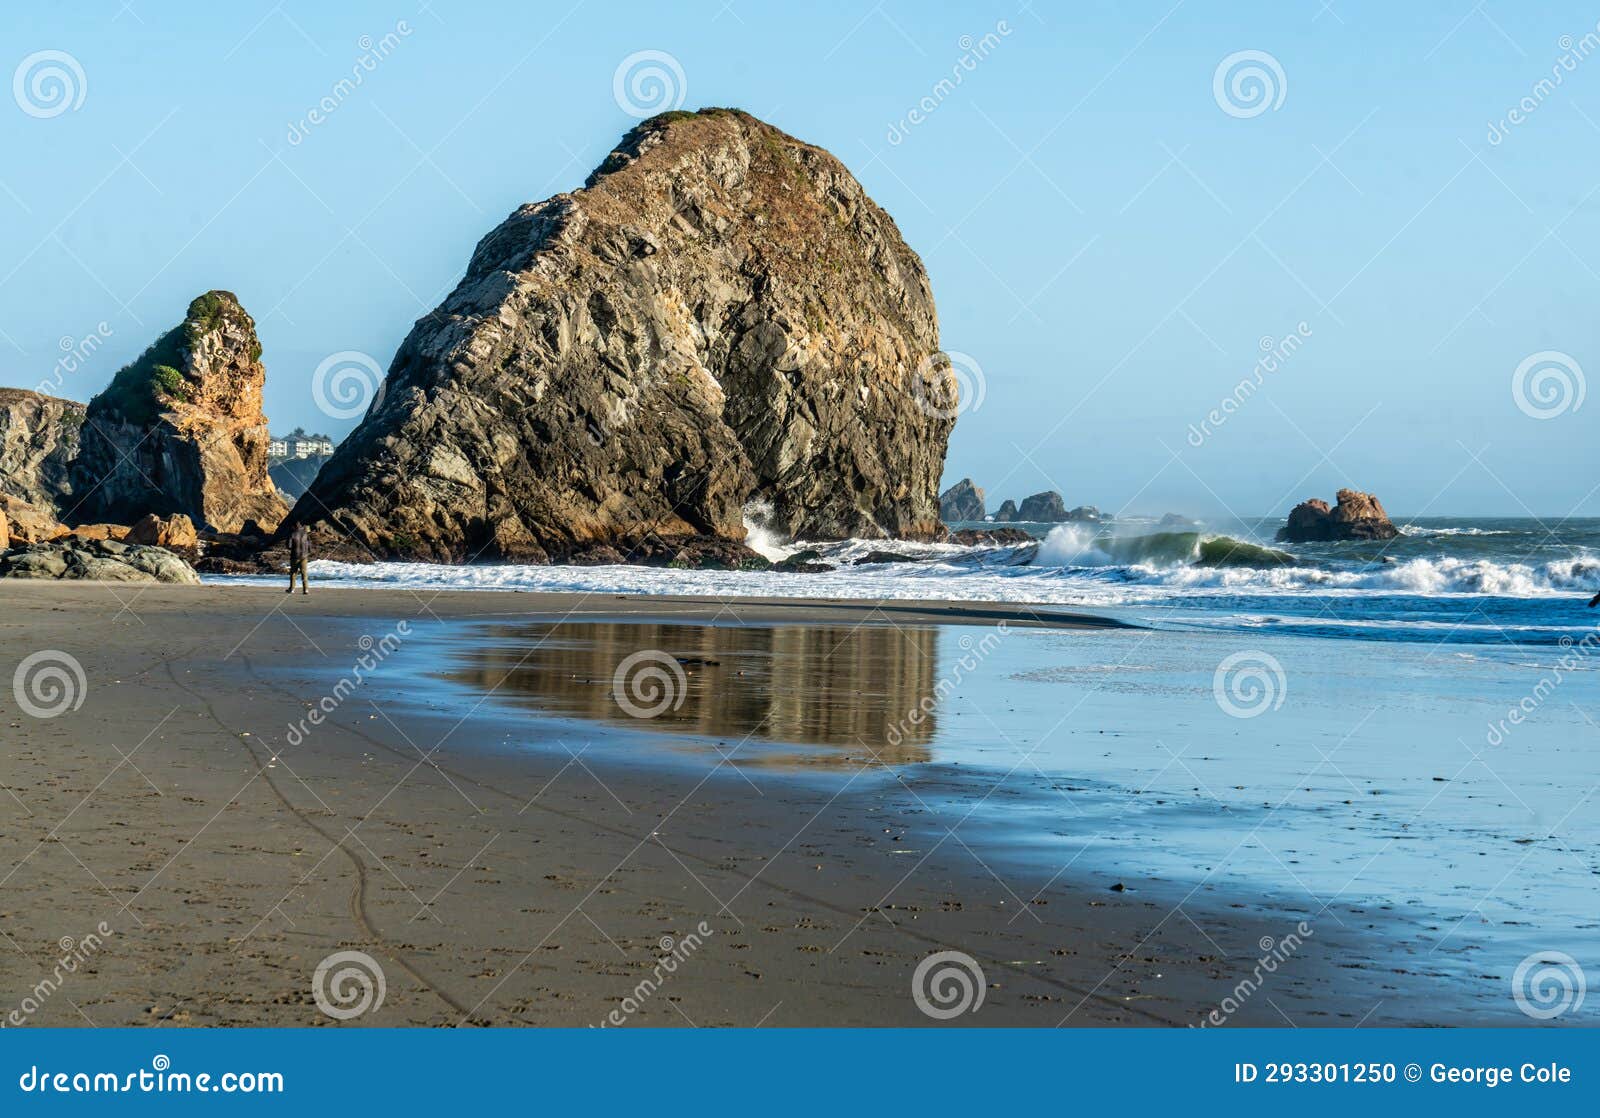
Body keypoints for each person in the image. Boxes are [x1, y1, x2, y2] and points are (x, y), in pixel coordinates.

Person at [287, 523, 310, 595]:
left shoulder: (292, 534)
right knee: (304, 573)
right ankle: (305, 589)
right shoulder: (305, 533)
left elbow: (289, 546)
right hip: (304, 556)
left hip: (295, 556)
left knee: (293, 573)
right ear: (301, 526)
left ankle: (292, 589)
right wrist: (308, 552)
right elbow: (309, 544)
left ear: (294, 526)